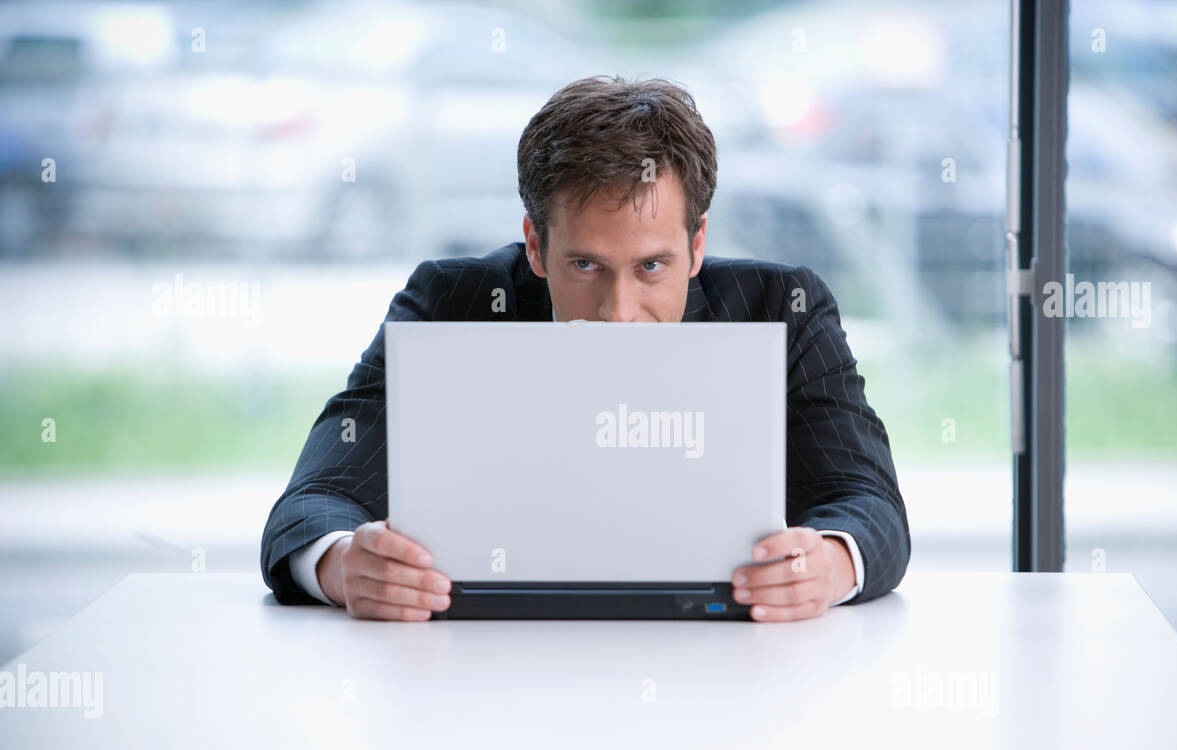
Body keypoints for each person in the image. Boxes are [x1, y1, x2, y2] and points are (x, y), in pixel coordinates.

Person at [260, 75, 910, 622]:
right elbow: (314, 498)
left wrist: (828, 564)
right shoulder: (449, 302)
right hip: (487, 672)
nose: (618, 314)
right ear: (535, 245)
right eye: (586, 266)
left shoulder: (782, 309)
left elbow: (868, 501)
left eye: (653, 266)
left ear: (698, 244)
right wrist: (343, 566)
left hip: (731, 670)